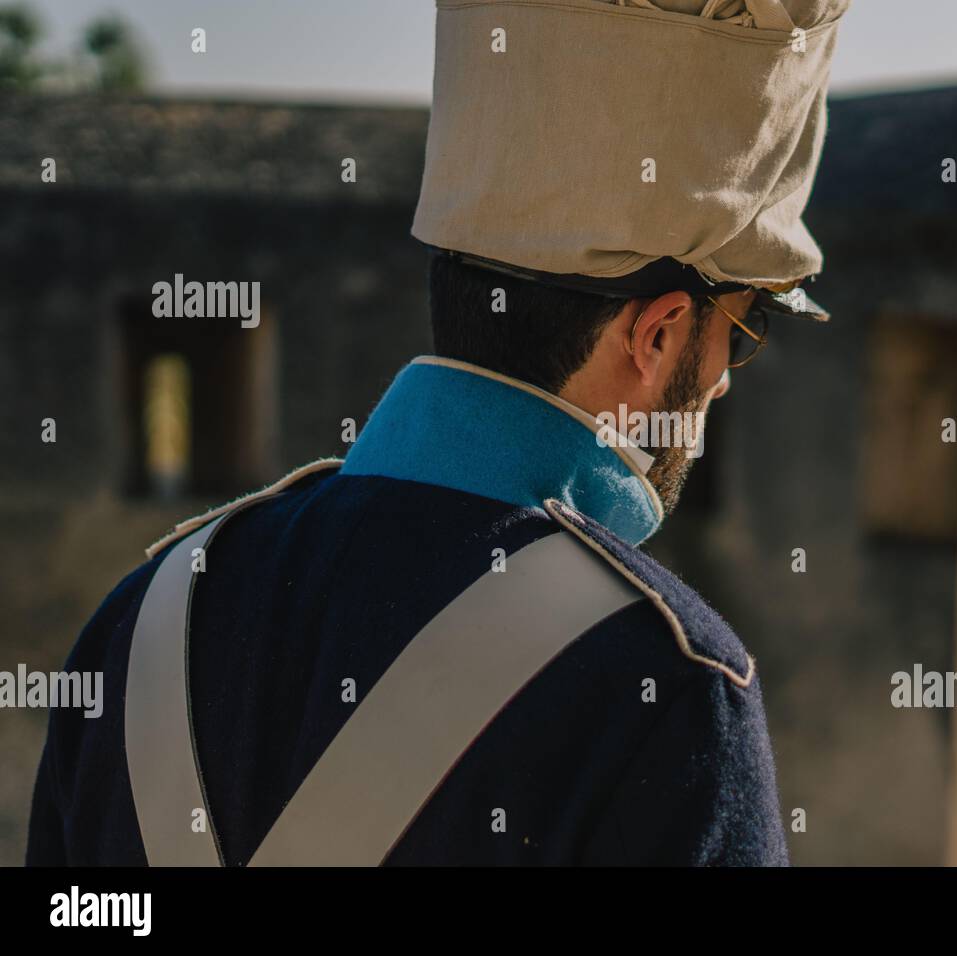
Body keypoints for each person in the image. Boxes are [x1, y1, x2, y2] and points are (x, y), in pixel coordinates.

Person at [27, 0, 849, 866]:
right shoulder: (670, 687)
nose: (724, 377)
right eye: (743, 328)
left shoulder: (141, 619)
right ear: (655, 335)